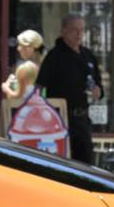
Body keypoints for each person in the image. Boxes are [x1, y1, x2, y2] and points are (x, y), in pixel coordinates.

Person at [34, 14, 104, 163]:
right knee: (61, 163)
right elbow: (39, 87)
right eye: (74, 30)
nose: (78, 34)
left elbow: (99, 87)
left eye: (81, 30)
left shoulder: (88, 55)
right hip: (59, 120)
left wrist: (98, 91)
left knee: (86, 163)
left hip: (82, 118)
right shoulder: (54, 57)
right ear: (63, 31)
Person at [0, 28, 44, 98]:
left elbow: (18, 97)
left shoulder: (25, 69)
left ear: (29, 48)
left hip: (27, 108)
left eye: (20, 45)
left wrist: (5, 88)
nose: (18, 49)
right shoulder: (45, 66)